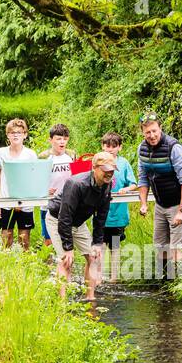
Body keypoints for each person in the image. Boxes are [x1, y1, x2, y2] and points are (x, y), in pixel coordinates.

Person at [47, 150, 116, 301]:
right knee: (66, 260)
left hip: (78, 222)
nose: (109, 174)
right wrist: (68, 247)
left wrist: (97, 243)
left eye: (111, 171)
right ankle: (62, 303)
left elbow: (101, 216)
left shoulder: (107, 184)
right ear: (94, 168)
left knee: (94, 257)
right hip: (57, 219)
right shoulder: (76, 183)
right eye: (105, 171)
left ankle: (89, 299)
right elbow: (64, 216)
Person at [135, 111, 182, 281]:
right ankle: (166, 283)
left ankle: (181, 283)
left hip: (179, 202)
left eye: (154, 131)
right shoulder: (142, 149)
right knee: (161, 246)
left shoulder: (174, 148)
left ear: (160, 128)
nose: (152, 135)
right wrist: (144, 203)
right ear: (142, 132)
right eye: (148, 132)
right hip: (161, 204)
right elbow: (143, 177)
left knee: (177, 248)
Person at [0, 118, 38, 249]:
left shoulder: (31, 155)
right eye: (12, 132)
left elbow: (33, 180)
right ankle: (7, 266)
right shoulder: (0, 153)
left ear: (25, 135)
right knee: (6, 239)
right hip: (6, 201)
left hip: (25, 202)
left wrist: (22, 200)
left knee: (25, 240)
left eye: (19, 132)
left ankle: (25, 267)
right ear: (8, 135)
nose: (15, 135)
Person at [99, 131, 137, 282]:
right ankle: (100, 277)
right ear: (102, 146)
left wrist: (125, 189)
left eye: (113, 146)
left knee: (115, 247)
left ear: (119, 148)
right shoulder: (98, 162)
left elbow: (134, 184)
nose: (110, 149)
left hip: (118, 214)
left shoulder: (124, 163)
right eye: (107, 146)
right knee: (100, 246)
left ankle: (114, 278)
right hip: (101, 213)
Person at [39, 123, 76, 247]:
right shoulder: (43, 157)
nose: (62, 142)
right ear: (50, 140)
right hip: (48, 204)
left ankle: (66, 264)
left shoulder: (72, 156)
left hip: (67, 204)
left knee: (67, 240)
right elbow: (35, 181)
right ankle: (49, 265)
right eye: (58, 139)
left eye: (65, 139)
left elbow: (77, 178)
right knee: (49, 241)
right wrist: (44, 189)